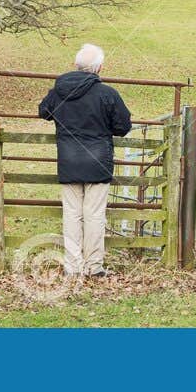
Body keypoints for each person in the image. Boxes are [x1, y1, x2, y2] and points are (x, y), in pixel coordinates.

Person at [37, 43, 133, 276]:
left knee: (71, 214)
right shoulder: (107, 94)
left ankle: (73, 265)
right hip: (98, 160)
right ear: (99, 68)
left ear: (75, 66)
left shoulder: (59, 91)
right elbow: (123, 127)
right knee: (94, 214)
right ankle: (94, 266)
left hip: (69, 160)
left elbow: (44, 112)